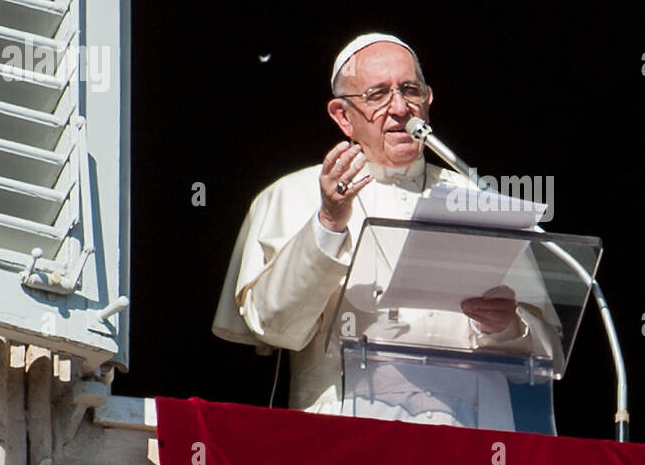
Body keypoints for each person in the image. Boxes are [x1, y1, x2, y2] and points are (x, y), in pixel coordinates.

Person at [212, 33, 558, 429]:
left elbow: (546, 351)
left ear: (428, 101)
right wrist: (328, 222)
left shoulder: (477, 198)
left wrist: (506, 327)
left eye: (410, 90)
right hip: (346, 431)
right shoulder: (290, 195)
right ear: (343, 116)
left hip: (473, 435)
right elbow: (274, 326)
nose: (400, 109)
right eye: (377, 95)